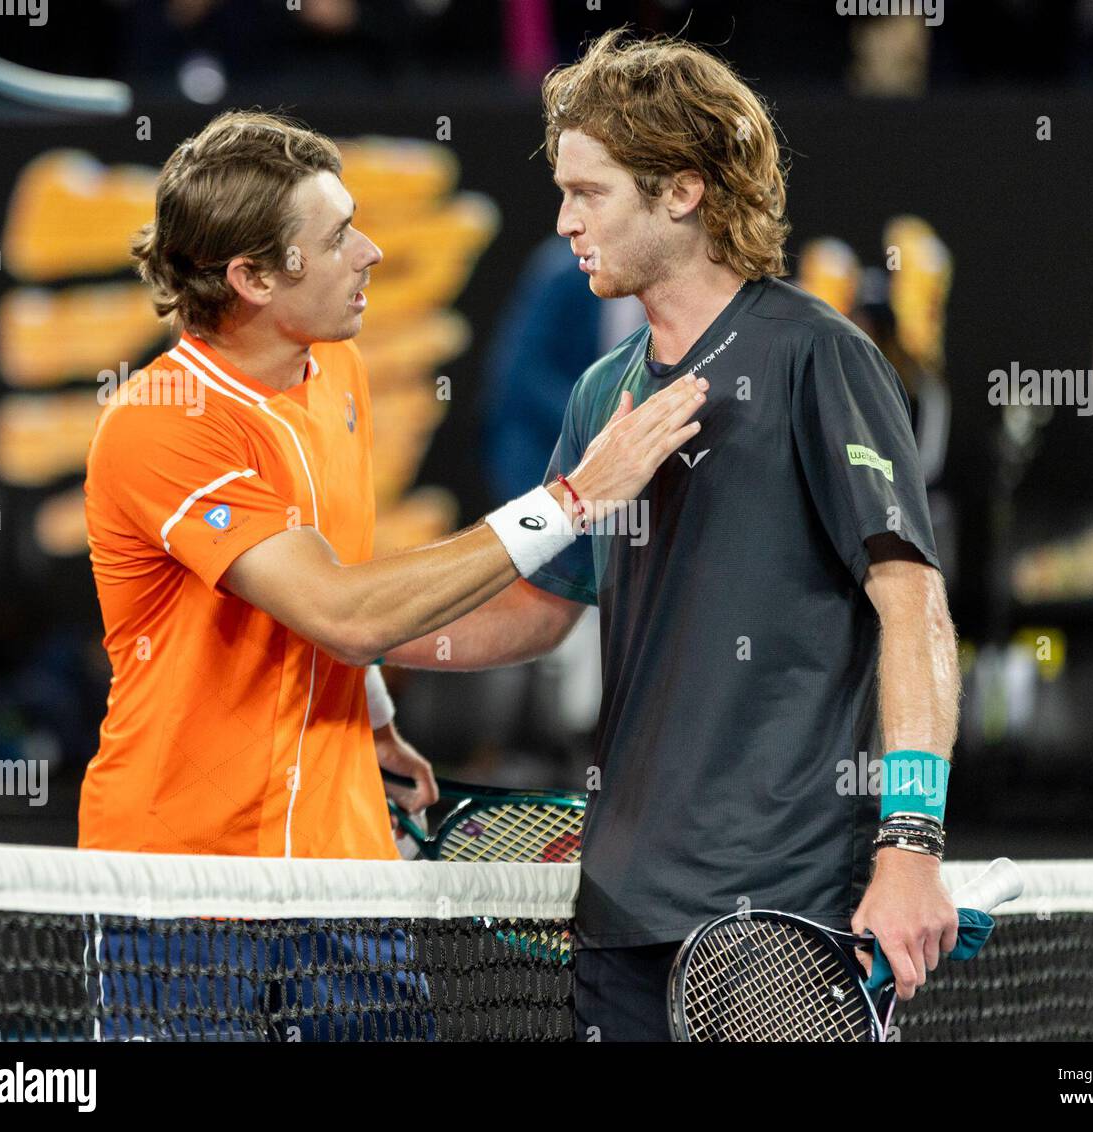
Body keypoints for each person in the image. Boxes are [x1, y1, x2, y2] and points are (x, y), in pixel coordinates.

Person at [384, 30, 962, 1041]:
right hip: (616, 913)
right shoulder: (599, 393)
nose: (563, 221)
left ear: (682, 192)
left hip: (780, 914)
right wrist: (352, 633)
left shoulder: (819, 358)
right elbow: (537, 609)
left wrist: (910, 842)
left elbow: (911, 602)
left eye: (589, 192)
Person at [78, 108, 707, 1038]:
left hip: (345, 877)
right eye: (334, 239)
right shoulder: (161, 423)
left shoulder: (337, 374)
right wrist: (572, 501)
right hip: (183, 890)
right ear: (252, 277)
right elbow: (340, 611)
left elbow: (336, 581)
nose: (370, 251)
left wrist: (369, 715)